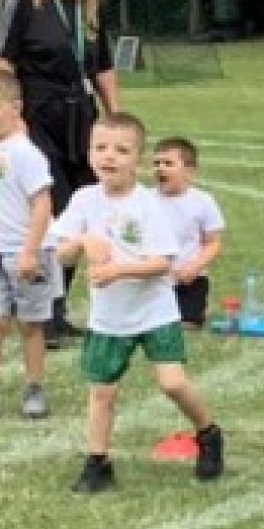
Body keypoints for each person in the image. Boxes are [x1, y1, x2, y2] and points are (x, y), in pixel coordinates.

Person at [51, 111, 224, 493]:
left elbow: (163, 262)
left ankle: (209, 434)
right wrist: (79, 244)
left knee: (173, 383)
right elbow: (60, 253)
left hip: (154, 312)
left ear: (138, 160)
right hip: (109, 318)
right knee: (102, 392)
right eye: (100, 148)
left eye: (121, 150)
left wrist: (119, 271)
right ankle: (98, 463)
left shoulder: (148, 205)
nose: (109, 157)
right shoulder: (83, 200)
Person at [0, 0, 122, 345]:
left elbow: (101, 64)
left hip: (79, 117)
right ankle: (39, 312)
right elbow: (4, 62)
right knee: (55, 208)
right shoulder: (24, 0)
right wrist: (14, 120)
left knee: (85, 208)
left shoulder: (92, 5)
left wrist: (115, 118)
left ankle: (55, 310)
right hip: (37, 116)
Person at [0, 73, 56, 425]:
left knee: (30, 324)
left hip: (27, 252)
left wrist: (30, 252)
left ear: (15, 108)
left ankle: (34, 387)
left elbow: (42, 204)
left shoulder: (27, 154)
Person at [151, 136, 225, 331]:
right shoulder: (145, 200)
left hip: (189, 279)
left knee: (187, 323)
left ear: (189, 171)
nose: (160, 168)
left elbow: (213, 243)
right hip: (153, 277)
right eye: (156, 163)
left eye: (168, 163)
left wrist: (194, 266)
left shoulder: (203, 201)